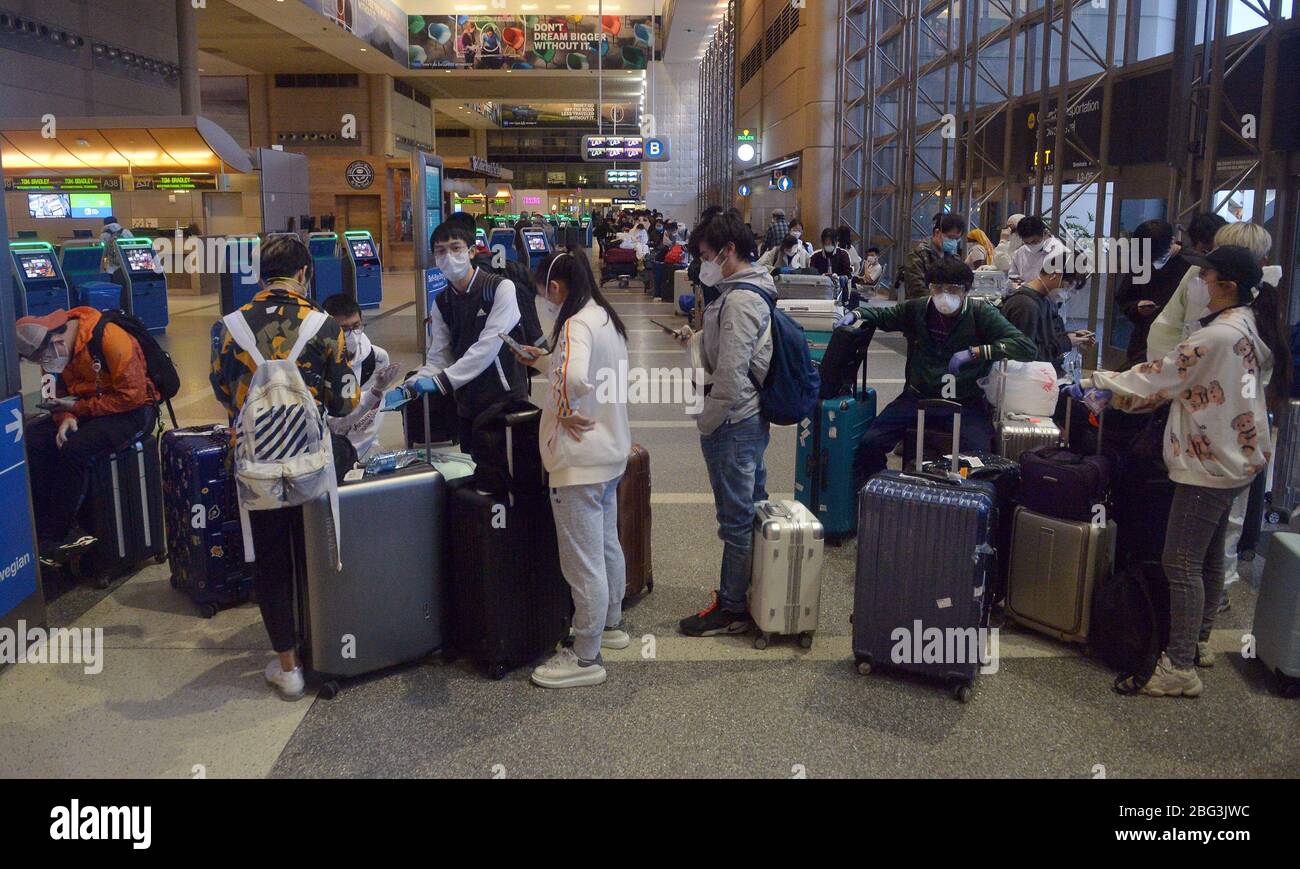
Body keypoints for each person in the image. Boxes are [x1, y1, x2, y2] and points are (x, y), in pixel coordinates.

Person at [1078, 245, 1290, 698]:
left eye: (1204, 276)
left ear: (1225, 285)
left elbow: (1161, 376)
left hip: (1208, 461)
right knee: (1210, 557)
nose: (1196, 284)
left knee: (1181, 561)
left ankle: (1178, 667)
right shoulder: (1250, 325)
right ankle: (1196, 640)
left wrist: (1097, 381)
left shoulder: (1216, 337)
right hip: (1241, 457)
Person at [210, 234, 357, 699]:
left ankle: (288, 667)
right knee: (312, 550)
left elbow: (220, 391)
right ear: (303, 274)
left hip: (257, 466)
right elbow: (344, 400)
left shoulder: (228, 326)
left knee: (271, 560)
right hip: (311, 462)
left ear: (260, 275)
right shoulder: (324, 325)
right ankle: (326, 647)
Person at [507, 250, 632, 688]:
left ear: (556, 289)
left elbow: (575, 377)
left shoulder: (575, 322)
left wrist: (561, 407)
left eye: (545, 294)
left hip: (578, 461)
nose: (545, 301)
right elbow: (582, 369)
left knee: (582, 563)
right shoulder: (603, 316)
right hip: (610, 454)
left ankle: (584, 657)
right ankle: (612, 625)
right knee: (605, 545)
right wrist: (541, 360)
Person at [1145, 221, 1285, 597]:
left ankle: (1187, 640)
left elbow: (1169, 346)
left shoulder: (1223, 320)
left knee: (1187, 552)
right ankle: (1217, 594)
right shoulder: (1258, 302)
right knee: (1225, 527)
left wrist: (1113, 384)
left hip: (1207, 434)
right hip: (1238, 432)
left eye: (1210, 270)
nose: (1204, 275)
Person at [839, 257, 1036, 487]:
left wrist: (976, 352)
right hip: (919, 395)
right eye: (937, 288)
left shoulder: (980, 313)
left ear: (966, 291)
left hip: (965, 401)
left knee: (980, 459)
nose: (944, 295)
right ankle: (883, 491)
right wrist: (858, 314)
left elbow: (1025, 347)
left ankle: (963, 505)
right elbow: (884, 316)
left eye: (952, 289)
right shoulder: (919, 308)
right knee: (870, 444)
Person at [674, 213, 775, 636]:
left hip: (734, 423)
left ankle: (731, 607)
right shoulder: (738, 293)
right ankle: (751, 591)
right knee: (749, 509)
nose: (702, 263)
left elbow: (732, 379)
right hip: (743, 420)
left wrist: (706, 422)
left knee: (735, 519)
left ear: (728, 251)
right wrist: (696, 339)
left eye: (705, 255)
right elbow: (733, 354)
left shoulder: (740, 300)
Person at [17, 308, 161, 563]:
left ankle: (58, 534)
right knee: (34, 440)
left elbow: (132, 396)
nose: (43, 363)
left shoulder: (110, 338)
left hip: (135, 410)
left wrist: (77, 409)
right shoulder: (51, 354)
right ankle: (38, 528)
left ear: (57, 340)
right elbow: (54, 395)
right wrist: (65, 417)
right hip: (86, 407)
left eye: (42, 356)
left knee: (75, 449)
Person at [390, 218, 529, 468]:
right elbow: (439, 357)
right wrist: (410, 386)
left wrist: (441, 381)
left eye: (456, 248)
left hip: (504, 400)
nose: (448, 256)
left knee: (508, 473)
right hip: (468, 402)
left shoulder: (499, 288)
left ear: (472, 252)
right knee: (476, 470)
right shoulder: (442, 302)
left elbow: (487, 347)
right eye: (441, 251)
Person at [321, 294, 400, 462]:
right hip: (330, 450)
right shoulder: (319, 362)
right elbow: (334, 421)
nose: (352, 335)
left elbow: (372, 414)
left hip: (366, 448)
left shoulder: (377, 358)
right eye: (344, 329)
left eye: (356, 326)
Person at [1113, 219, 1191, 368]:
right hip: (1143, 341)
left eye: (1154, 254)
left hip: (1177, 344)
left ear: (1172, 241)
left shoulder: (1190, 264)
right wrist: (1137, 307)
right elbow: (1124, 298)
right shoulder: (1141, 263)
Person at [999, 260, 1094, 372]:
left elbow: (1044, 337)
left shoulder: (1045, 300)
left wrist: (1071, 336)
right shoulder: (1025, 306)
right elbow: (1024, 358)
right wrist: (1065, 342)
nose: (1068, 293)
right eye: (1069, 287)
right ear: (1055, 275)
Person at [903, 211, 966, 299]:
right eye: (950, 237)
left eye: (957, 239)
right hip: (923, 307)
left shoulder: (954, 258)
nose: (953, 242)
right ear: (937, 232)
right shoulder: (918, 255)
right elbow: (917, 290)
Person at [1007, 215, 1066, 286]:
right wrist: (1017, 283)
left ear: (1044, 233)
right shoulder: (1020, 252)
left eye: (1034, 242)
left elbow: (1063, 284)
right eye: (1026, 243)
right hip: (1025, 294)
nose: (1031, 245)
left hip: (1048, 295)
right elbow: (1012, 277)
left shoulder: (1059, 252)